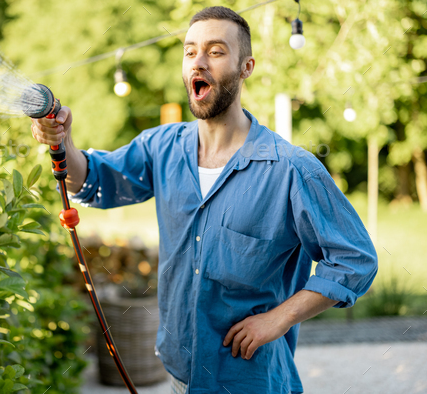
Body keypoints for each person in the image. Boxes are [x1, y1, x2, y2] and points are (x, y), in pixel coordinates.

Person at [31, 6, 378, 394]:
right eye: (190, 51)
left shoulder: (292, 170)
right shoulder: (161, 147)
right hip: (180, 373)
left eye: (215, 51)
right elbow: (94, 180)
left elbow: (355, 259)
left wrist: (278, 319)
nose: (199, 62)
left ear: (245, 67)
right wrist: (65, 141)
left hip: (251, 379)